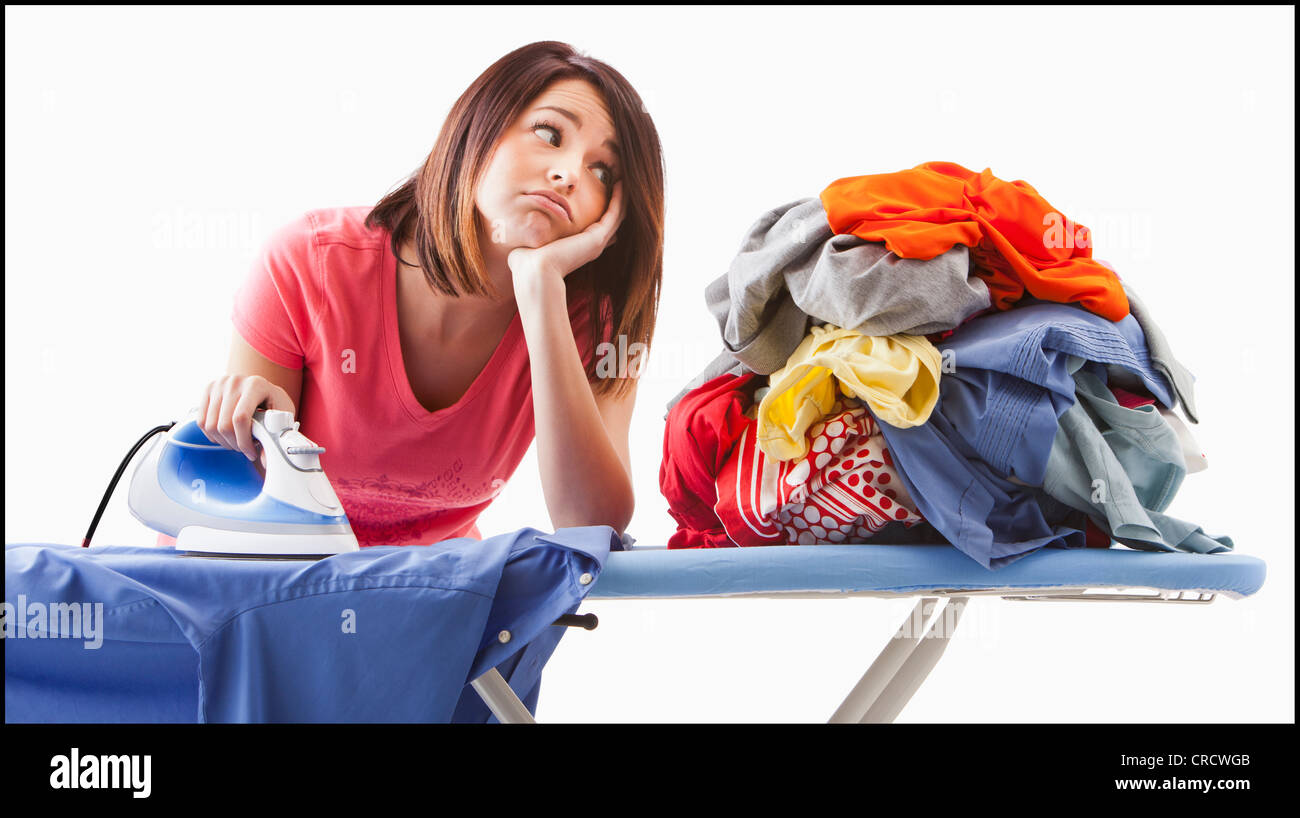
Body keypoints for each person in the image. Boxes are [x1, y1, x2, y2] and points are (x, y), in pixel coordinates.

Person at [183, 41, 664, 546]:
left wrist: (540, 289)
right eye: (549, 133)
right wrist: (260, 424)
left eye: (602, 171)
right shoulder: (311, 262)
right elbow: (243, 500)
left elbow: (591, 523)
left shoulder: (594, 324)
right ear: (480, 129)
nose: (568, 174)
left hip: (419, 607)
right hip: (256, 589)